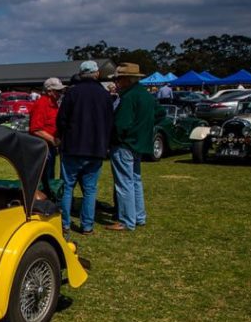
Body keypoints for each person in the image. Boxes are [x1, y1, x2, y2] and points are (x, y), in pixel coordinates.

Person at [55, 60, 114, 236]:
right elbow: (110, 122)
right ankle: (87, 226)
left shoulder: (72, 94)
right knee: (90, 189)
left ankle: (64, 224)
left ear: (81, 75)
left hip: (73, 146)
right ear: (96, 74)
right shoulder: (104, 95)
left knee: (67, 187)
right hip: (96, 148)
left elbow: (62, 120)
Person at [107, 63, 157, 232]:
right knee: (135, 180)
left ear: (127, 80)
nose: (117, 82)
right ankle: (139, 216)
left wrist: (114, 138)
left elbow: (121, 124)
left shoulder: (128, 97)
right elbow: (160, 114)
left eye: (119, 79)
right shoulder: (146, 96)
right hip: (139, 144)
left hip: (124, 144)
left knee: (124, 183)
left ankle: (126, 220)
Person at [29, 77, 64, 196]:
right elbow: (35, 129)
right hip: (43, 148)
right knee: (44, 178)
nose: (60, 93)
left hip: (50, 147)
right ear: (49, 91)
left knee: (49, 177)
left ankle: (48, 198)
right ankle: (42, 200)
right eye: (58, 91)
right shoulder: (42, 104)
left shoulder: (53, 104)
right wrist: (53, 140)